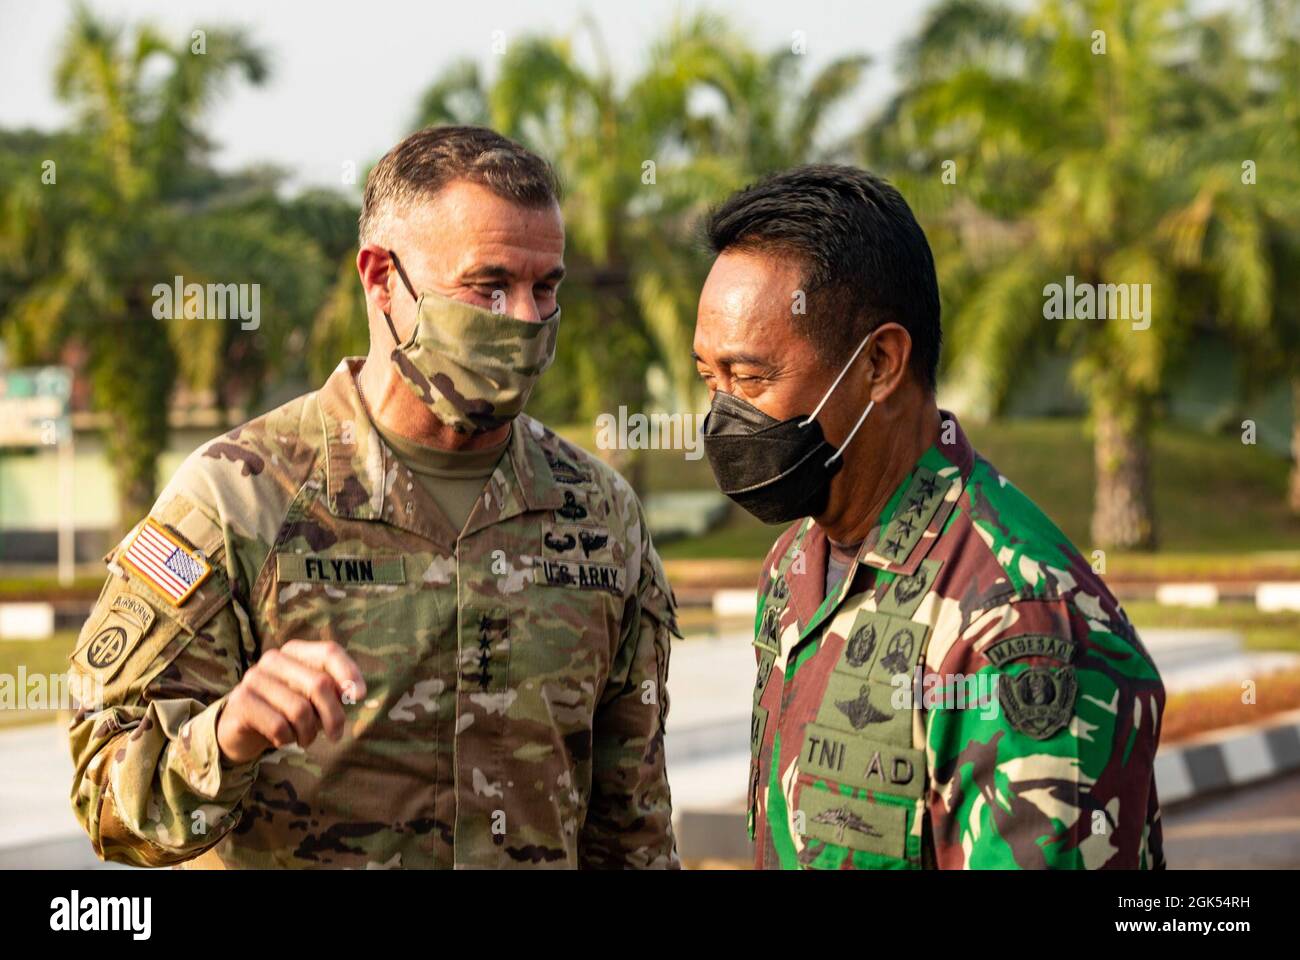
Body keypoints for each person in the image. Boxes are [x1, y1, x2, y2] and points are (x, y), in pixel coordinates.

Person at [67, 125, 680, 869]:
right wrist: (226, 736)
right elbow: (108, 803)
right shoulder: (239, 499)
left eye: (544, 287)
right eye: (488, 286)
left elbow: (632, 825)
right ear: (381, 279)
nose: (524, 319)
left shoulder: (599, 514)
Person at [692, 164, 1165, 869]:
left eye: (751, 378)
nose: (723, 415)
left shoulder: (1019, 622)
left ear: (880, 363)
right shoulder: (798, 563)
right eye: (711, 380)